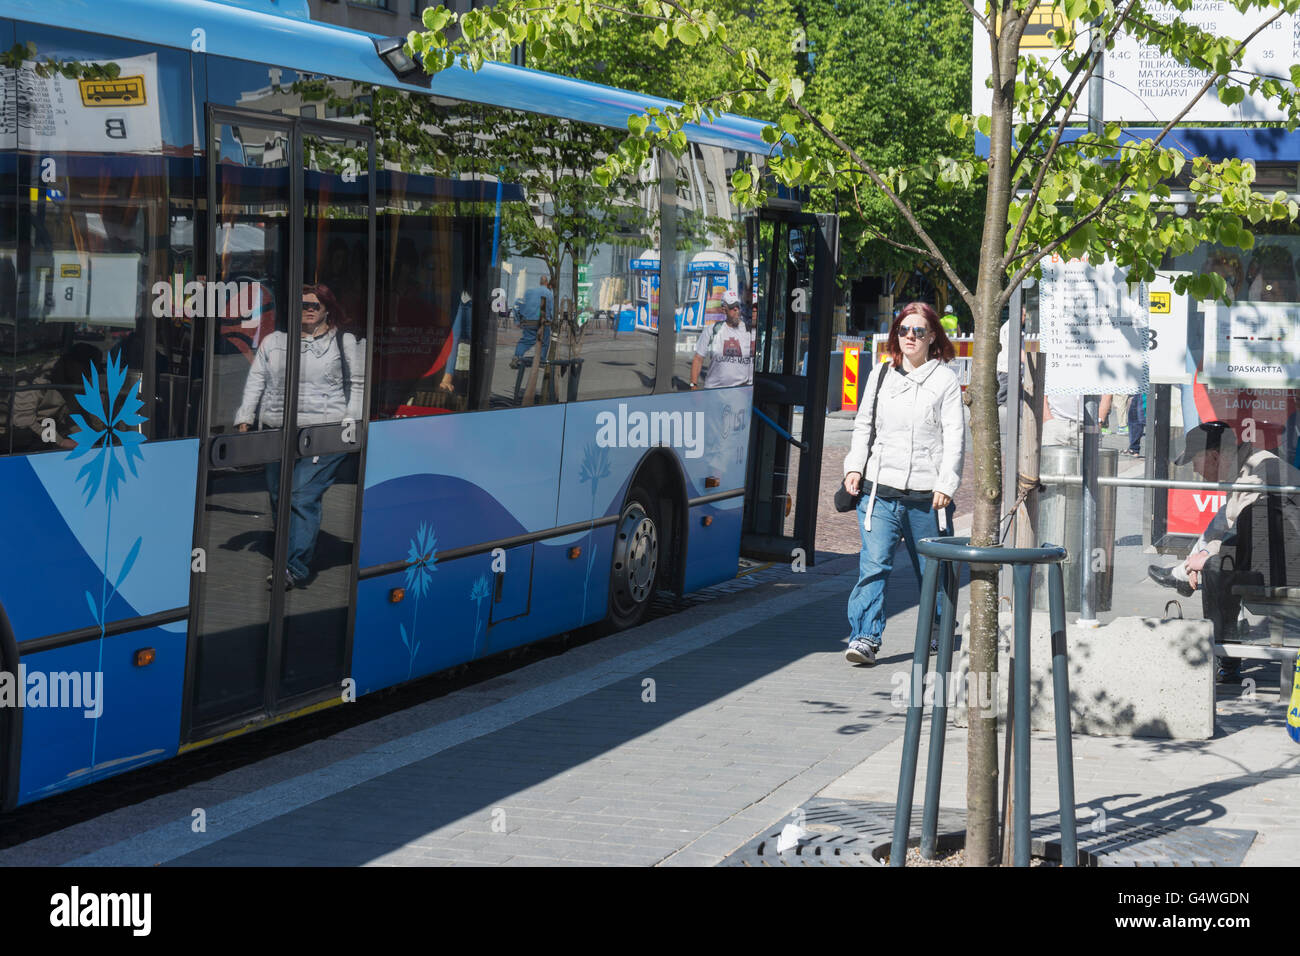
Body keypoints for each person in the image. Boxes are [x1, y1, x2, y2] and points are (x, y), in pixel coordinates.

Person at [842, 302, 964, 665]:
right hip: (879, 491)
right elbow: (864, 424)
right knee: (874, 566)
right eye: (903, 330)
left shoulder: (945, 380)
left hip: (927, 496)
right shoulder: (881, 374)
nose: (910, 337)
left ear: (932, 338)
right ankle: (864, 637)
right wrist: (855, 467)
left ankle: (939, 631)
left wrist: (947, 482)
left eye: (919, 331)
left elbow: (954, 435)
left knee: (933, 569)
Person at [1147, 422, 1300, 679]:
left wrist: (1206, 559)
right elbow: (1229, 526)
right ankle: (1183, 573)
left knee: (1218, 567)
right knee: (1218, 541)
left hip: (1286, 568)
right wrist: (1202, 557)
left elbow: (1245, 537)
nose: (1195, 470)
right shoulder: (1252, 465)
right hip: (1279, 557)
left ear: (1214, 456)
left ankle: (1226, 659)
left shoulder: (1256, 478)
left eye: (1196, 461)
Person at [236, 283, 364, 588]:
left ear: (327, 310)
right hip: (277, 429)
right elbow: (257, 379)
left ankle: (294, 567)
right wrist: (245, 416)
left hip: (325, 432)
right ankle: (288, 553)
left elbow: (358, 384)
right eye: (302, 304)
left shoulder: (343, 342)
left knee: (301, 495)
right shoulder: (275, 341)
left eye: (314, 305)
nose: (308, 309)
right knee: (280, 496)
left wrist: (351, 424)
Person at [689, 289, 754, 389]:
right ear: (724, 309)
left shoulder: (748, 332)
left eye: (738, 306)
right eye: (733, 307)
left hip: (740, 393)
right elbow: (698, 358)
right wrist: (693, 385)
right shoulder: (712, 330)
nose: (737, 310)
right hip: (713, 392)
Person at [511, 274, 554, 367]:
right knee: (544, 342)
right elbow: (550, 310)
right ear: (547, 283)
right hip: (542, 322)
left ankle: (517, 358)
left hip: (529, 321)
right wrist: (552, 322)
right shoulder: (548, 293)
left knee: (526, 341)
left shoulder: (528, 292)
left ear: (540, 282)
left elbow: (516, 305)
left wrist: (518, 320)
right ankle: (541, 361)